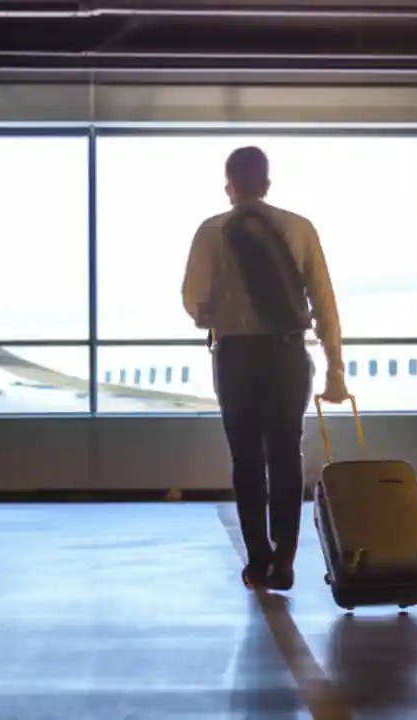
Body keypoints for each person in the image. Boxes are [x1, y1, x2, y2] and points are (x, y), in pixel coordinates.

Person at [182, 145, 349, 592]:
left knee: (246, 459)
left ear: (229, 186)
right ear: (268, 184)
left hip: (236, 357)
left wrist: (220, 308)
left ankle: (257, 562)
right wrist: (336, 369)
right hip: (288, 355)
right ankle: (286, 557)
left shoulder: (213, 231)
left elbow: (192, 301)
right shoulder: (298, 228)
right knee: (285, 453)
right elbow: (324, 302)